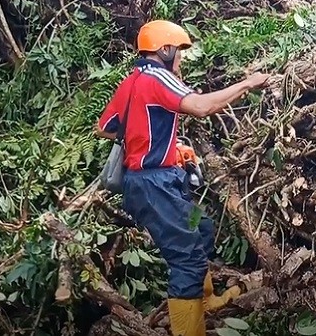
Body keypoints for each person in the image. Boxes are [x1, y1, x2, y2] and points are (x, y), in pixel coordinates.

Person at [96, 20, 270, 336]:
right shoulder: (159, 77)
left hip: (155, 185)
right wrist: (248, 84)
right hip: (156, 188)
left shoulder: (132, 81)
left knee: (199, 227)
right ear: (165, 49)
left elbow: (106, 126)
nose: (181, 60)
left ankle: (205, 301)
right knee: (186, 260)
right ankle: (188, 329)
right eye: (180, 52)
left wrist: (159, 146)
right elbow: (200, 107)